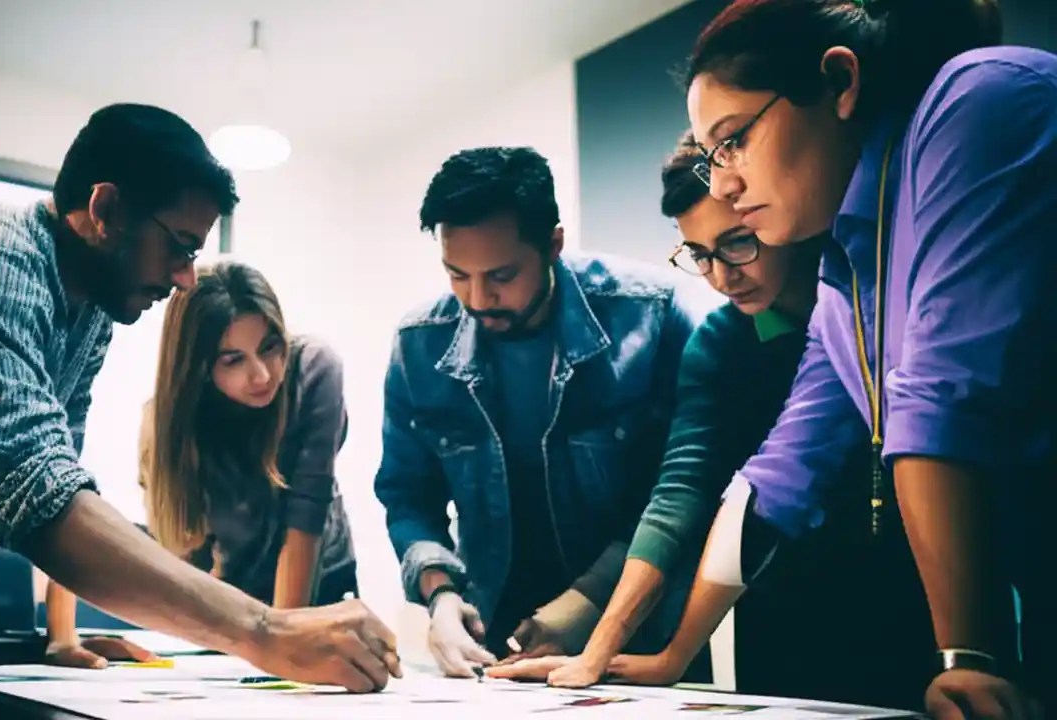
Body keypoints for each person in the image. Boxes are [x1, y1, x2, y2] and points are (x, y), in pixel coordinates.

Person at [519, 1, 1052, 718]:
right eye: (712, 159)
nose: (724, 187)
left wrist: (966, 655)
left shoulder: (978, 96)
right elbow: (778, 473)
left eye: (732, 140)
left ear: (840, 81)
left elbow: (937, 393)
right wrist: (673, 654)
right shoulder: (849, 268)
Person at [0, 103, 399, 707]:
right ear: (105, 210)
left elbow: (57, 474)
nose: (186, 277)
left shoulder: (88, 316)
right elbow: (26, 484)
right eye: (180, 246)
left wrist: (63, 636)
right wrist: (264, 631)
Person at [489, 135, 935, 709]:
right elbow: (682, 489)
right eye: (699, 255)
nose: (722, 278)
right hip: (779, 612)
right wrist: (602, 648)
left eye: (738, 244)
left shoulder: (876, 308)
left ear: (778, 214)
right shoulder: (719, 344)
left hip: (919, 591)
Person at [373, 145, 701, 679]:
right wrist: (442, 597)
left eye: (501, 275)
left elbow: (681, 490)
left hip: (637, 635)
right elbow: (408, 496)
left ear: (553, 244)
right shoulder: (418, 345)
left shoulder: (651, 315)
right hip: (500, 640)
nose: (477, 298)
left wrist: (584, 605)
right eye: (457, 274)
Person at [44, 261, 358, 668]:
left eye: (269, 346)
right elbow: (93, 522)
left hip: (318, 589)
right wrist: (65, 638)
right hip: (232, 607)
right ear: (201, 370)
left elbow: (306, 517)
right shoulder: (169, 426)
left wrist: (284, 645)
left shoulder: (314, 368)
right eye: (233, 360)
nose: (262, 375)